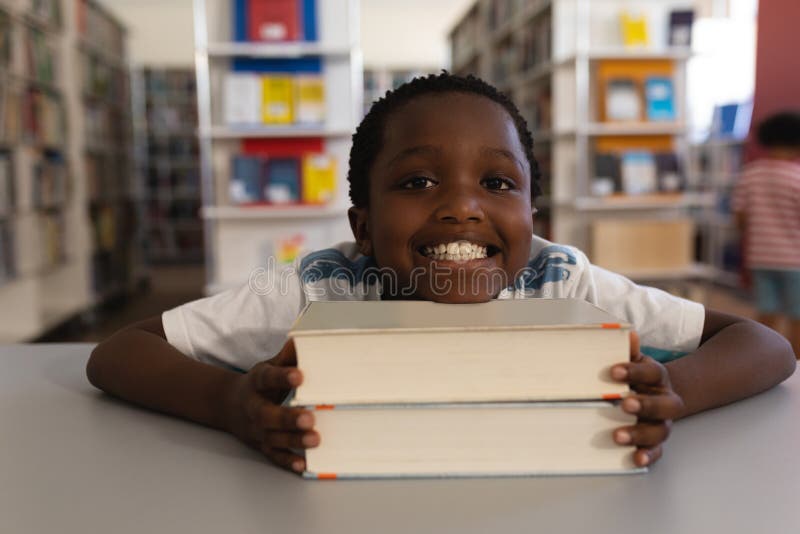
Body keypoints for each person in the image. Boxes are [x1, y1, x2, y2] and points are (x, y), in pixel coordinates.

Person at [87, 73, 796, 475]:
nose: (462, 208)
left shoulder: (563, 279)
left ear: (531, 211)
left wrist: (672, 389)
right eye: (419, 182)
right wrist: (231, 404)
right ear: (362, 226)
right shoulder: (315, 288)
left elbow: (767, 347)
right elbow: (117, 353)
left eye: (496, 182)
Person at [732, 111, 800, 359]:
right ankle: (797, 364)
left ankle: (764, 359)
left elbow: (740, 216)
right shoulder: (797, 176)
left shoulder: (751, 173)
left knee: (765, 311)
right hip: (795, 260)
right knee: (797, 315)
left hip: (760, 256)